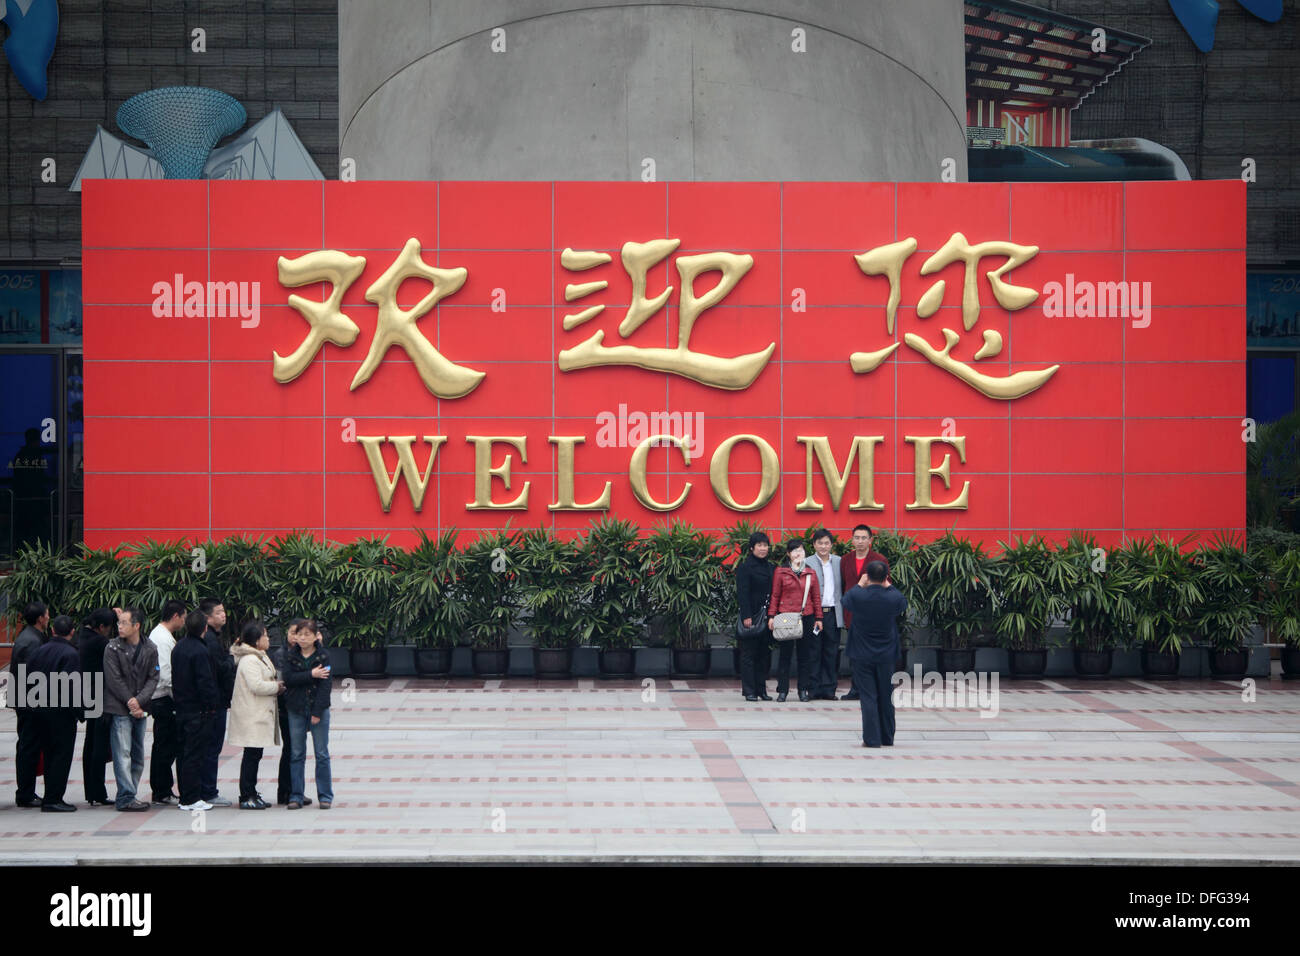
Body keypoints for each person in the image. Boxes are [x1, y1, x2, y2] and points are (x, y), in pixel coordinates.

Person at [841, 561, 908, 748]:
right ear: (886, 577)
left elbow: (845, 601)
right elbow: (903, 603)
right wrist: (888, 585)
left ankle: (872, 739)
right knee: (886, 695)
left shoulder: (858, 596)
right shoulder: (892, 598)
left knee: (868, 696)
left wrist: (860, 584)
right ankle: (888, 737)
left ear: (867, 576)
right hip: (886, 655)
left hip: (862, 654)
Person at [103, 606, 159, 811]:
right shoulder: (112, 648)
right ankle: (125, 797)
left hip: (141, 708)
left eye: (124, 623)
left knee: (137, 753)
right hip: (120, 708)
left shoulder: (150, 648)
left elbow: (154, 677)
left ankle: (130, 793)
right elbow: (113, 679)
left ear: (137, 626)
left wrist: (140, 700)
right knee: (122, 753)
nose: (120, 626)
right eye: (119, 622)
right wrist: (130, 700)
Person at [25, 615, 81, 811]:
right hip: (61, 713)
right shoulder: (71, 654)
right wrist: (79, 713)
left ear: (53, 631)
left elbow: (28, 681)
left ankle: (50, 796)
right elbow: (72, 689)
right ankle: (54, 799)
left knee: (49, 753)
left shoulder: (39, 651)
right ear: (72, 632)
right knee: (61, 756)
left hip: (39, 710)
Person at [227, 620, 284, 810]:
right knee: (251, 756)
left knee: (255, 755)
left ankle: (252, 792)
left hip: (259, 713)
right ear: (257, 640)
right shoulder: (249, 660)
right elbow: (256, 685)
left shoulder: (259, 655)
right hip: (251, 715)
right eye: (265, 635)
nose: (268, 639)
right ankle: (246, 795)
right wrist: (277, 687)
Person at [171, 609, 219, 812]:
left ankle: (185, 795)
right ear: (205, 628)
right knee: (194, 755)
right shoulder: (200, 651)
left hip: (181, 709)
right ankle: (191, 798)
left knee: (183, 755)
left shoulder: (179, 647)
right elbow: (205, 683)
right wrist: (212, 705)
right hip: (197, 712)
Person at [283, 620, 333, 810]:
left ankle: (325, 795)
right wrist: (311, 674)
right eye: (299, 634)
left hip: (317, 710)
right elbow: (288, 679)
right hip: (295, 709)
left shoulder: (323, 656)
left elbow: (325, 686)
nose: (302, 638)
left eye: (306, 634)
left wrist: (317, 711)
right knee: (296, 753)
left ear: (315, 636)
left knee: (321, 754)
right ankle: (296, 795)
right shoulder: (290, 656)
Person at [839, 525, 890, 702]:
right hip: (852, 614)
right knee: (855, 654)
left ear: (870, 540)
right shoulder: (845, 560)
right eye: (857, 538)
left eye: (863, 538)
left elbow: (885, 585)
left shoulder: (879, 559)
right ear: (852, 540)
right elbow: (844, 584)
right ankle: (856, 689)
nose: (860, 541)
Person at [767, 540, 823, 702]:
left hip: (806, 616)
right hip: (786, 617)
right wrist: (771, 616)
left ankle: (803, 690)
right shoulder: (781, 571)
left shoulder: (810, 572)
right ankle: (782, 690)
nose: (798, 554)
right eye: (794, 551)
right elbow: (775, 595)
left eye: (801, 551)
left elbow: (816, 597)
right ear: (788, 554)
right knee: (785, 655)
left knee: (804, 656)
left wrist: (819, 618)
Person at [10, 601, 49, 807]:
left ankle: (26, 791)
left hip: (25, 701)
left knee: (28, 746)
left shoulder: (28, 637)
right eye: (47, 614)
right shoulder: (32, 641)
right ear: (41, 619)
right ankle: (25, 793)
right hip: (30, 703)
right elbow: (34, 677)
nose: (48, 617)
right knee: (28, 747)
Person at [147, 600, 186, 804]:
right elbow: (165, 674)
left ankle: (162, 788)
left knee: (164, 745)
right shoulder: (162, 639)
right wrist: (179, 698)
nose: (184, 622)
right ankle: (161, 790)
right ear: (175, 616)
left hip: (163, 697)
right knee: (165, 746)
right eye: (183, 617)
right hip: (163, 698)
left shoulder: (161, 635)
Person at [77, 608, 116, 806]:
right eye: (110, 627)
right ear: (101, 627)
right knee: (99, 745)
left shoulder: (83, 635)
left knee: (90, 743)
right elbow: (117, 650)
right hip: (99, 697)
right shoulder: (100, 642)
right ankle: (97, 792)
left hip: (88, 696)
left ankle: (92, 791)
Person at [198, 597, 235, 807]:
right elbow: (221, 668)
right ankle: (208, 791)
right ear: (207, 617)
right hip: (215, 703)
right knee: (212, 746)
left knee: (210, 747)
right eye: (219, 612)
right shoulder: (210, 640)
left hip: (215, 702)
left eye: (223, 611)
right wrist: (231, 659)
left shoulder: (212, 636)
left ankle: (206, 788)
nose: (224, 615)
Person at [273, 621, 311, 806]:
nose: (296, 637)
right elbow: (283, 683)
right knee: (291, 749)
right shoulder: (282, 655)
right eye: (293, 632)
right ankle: (286, 791)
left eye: (301, 633)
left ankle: (295, 790)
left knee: (297, 749)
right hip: (287, 708)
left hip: (300, 707)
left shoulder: (305, 654)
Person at [735, 532, 775, 702]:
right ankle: (749, 691)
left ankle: (762, 690)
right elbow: (742, 593)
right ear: (752, 548)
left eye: (765, 545)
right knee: (748, 655)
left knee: (763, 655)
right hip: (752, 616)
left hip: (768, 617)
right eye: (759, 545)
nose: (763, 548)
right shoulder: (745, 567)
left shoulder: (771, 567)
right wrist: (746, 615)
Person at [806, 528, 843, 701]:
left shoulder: (839, 562)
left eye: (826, 543)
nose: (823, 546)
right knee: (813, 652)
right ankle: (813, 689)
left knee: (831, 652)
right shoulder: (806, 562)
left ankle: (829, 689)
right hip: (814, 614)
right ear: (814, 544)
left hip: (833, 613)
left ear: (831, 545)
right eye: (820, 543)